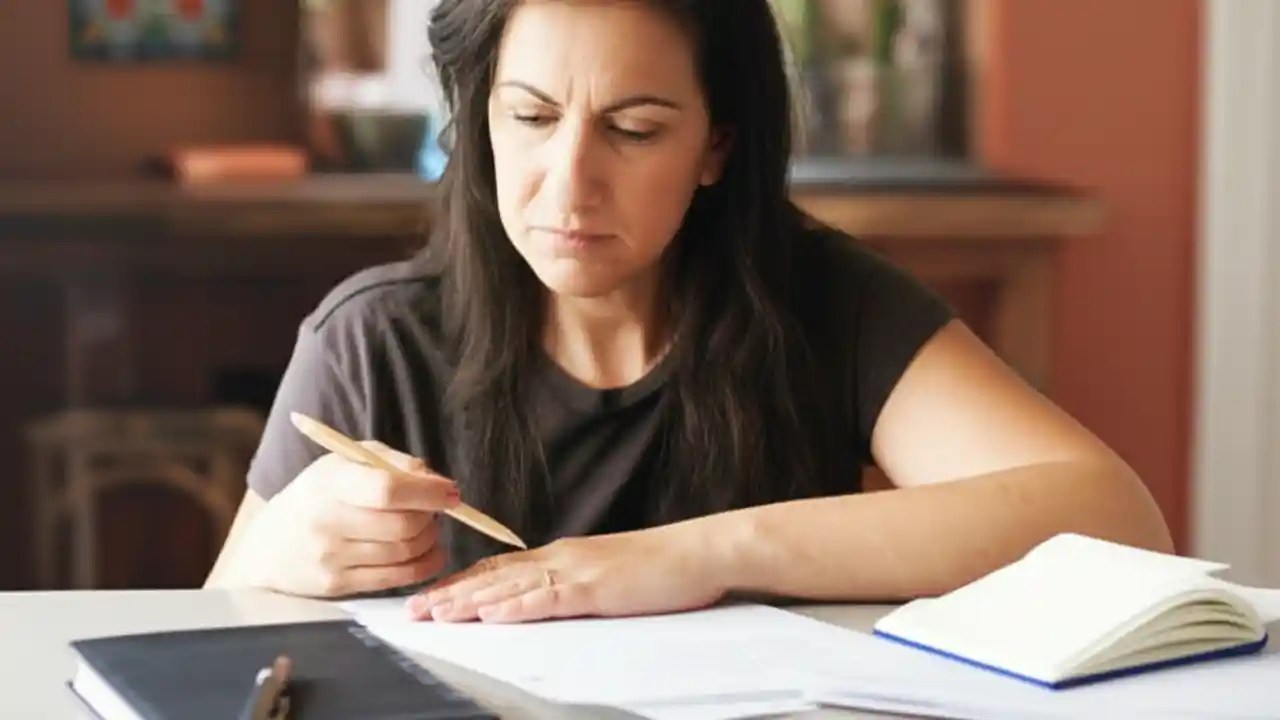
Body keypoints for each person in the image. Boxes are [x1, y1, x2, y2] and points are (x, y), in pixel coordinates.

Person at [205, 0, 1172, 623]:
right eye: (532, 118)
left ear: (716, 147)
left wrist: (702, 554)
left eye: (633, 129)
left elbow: (1116, 524)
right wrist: (280, 561)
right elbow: (207, 642)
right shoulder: (374, 339)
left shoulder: (826, 306)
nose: (569, 185)